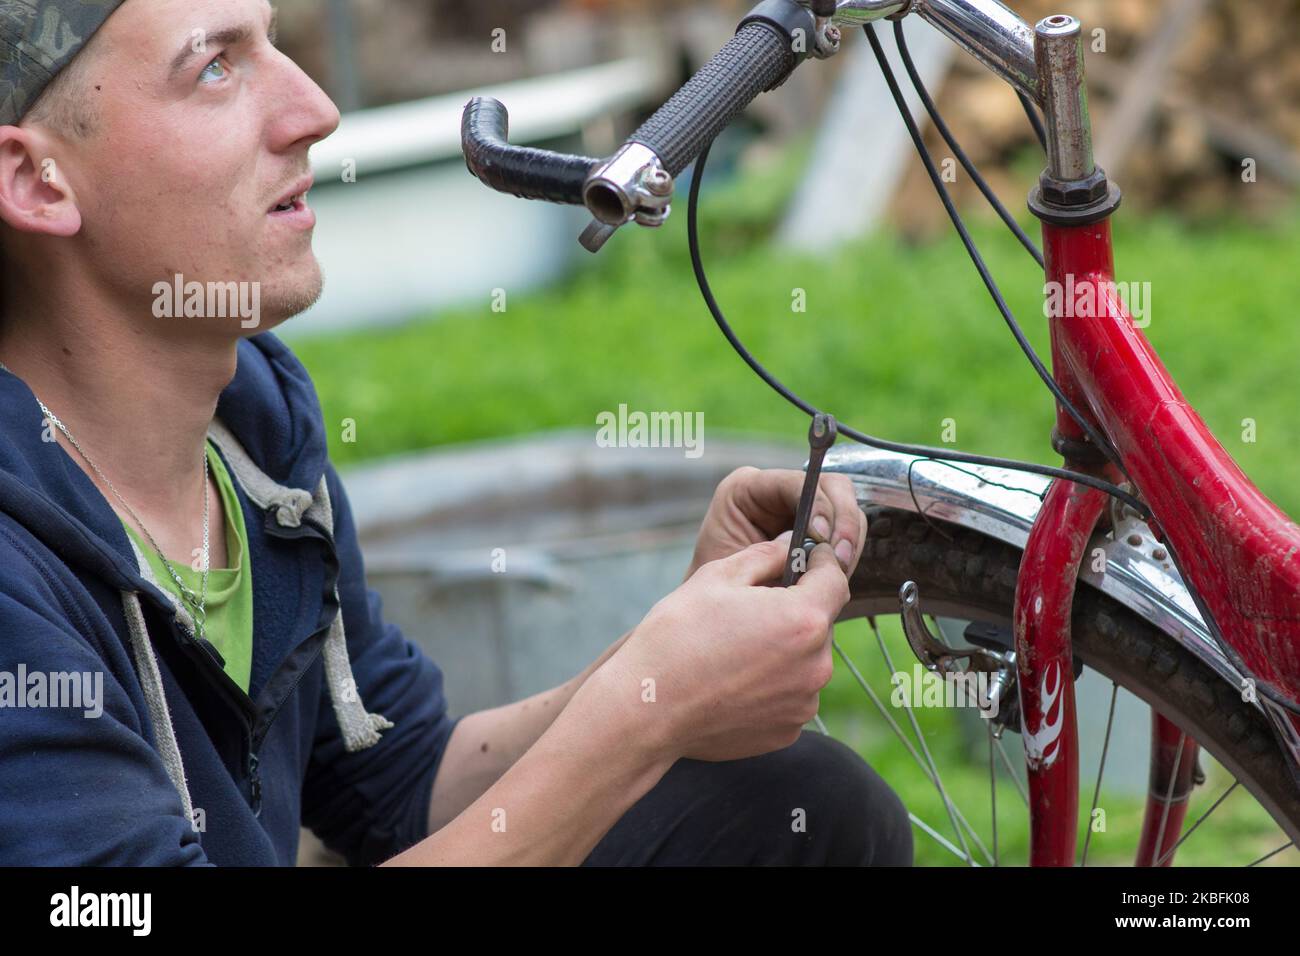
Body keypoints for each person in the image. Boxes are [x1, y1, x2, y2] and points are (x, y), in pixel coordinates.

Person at [0, 0, 912, 866]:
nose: (313, 111)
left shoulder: (253, 437)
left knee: (801, 804)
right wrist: (650, 715)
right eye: (214, 69)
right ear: (37, 180)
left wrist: (657, 660)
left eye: (275, 40)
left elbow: (402, 785)